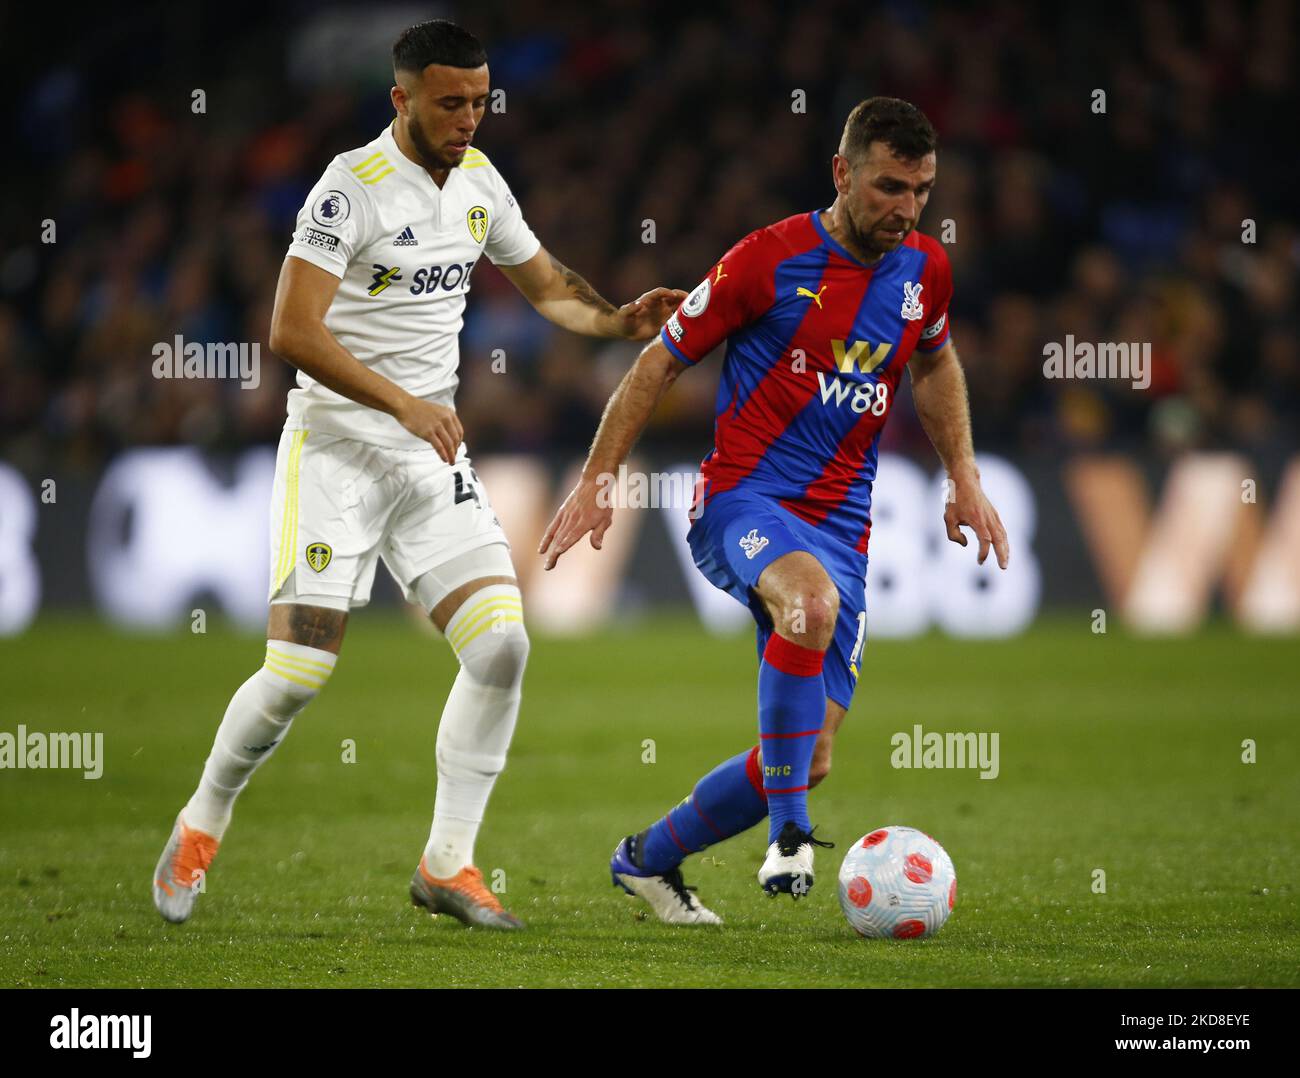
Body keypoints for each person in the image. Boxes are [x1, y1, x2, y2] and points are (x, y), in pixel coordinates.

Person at [152, 19, 683, 931]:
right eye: (450, 102)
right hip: (336, 455)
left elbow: (547, 282)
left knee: (503, 648)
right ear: (401, 99)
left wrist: (619, 321)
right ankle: (202, 821)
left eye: (479, 101)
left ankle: (448, 863)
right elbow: (291, 329)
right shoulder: (347, 190)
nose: (468, 118)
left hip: (429, 461)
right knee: (294, 675)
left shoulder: (479, 183)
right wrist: (402, 402)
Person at [540, 97, 1010, 924]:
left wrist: (962, 475)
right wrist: (597, 478)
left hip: (843, 527)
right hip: (743, 501)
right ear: (843, 172)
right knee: (810, 605)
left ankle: (647, 861)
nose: (906, 209)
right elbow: (656, 364)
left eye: (921, 192)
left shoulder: (925, 270)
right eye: (890, 187)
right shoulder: (766, 260)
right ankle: (791, 836)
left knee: (808, 754)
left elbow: (934, 365)